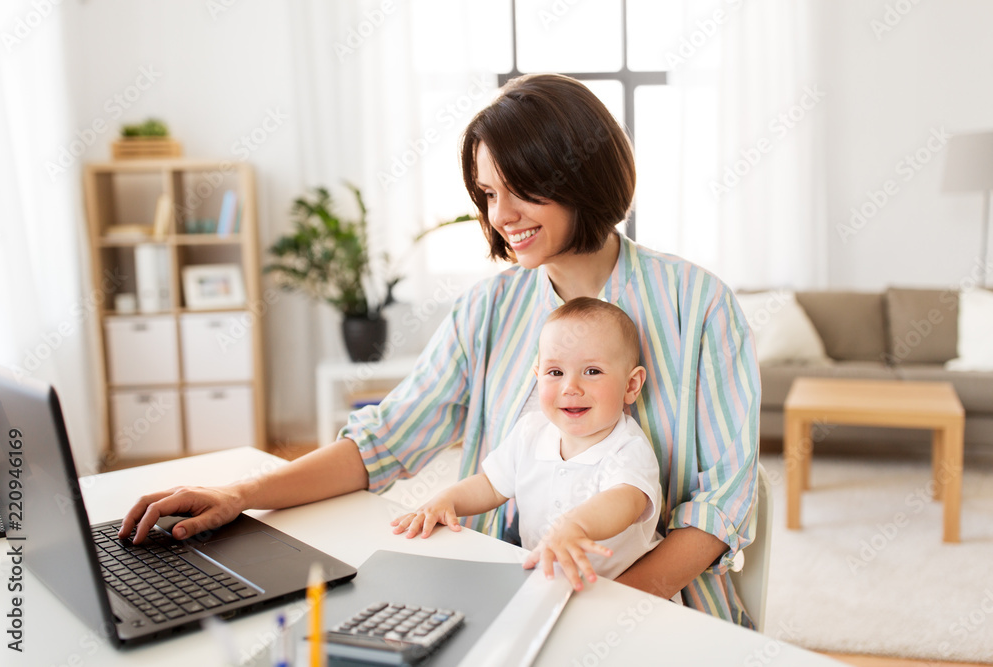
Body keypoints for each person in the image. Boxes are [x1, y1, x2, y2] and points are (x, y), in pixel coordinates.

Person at [120, 73, 760, 627]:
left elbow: (720, 505)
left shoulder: (698, 304)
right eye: (488, 193)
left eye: (520, 188)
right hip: (509, 590)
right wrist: (240, 494)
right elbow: (385, 440)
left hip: (652, 604)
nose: (500, 215)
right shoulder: (487, 309)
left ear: (580, 176)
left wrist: (602, 615)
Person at [391, 297, 661, 592]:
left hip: (615, 591)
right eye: (555, 373)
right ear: (537, 377)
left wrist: (578, 526)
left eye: (592, 371)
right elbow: (491, 485)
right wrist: (448, 499)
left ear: (631, 385)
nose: (570, 387)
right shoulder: (530, 432)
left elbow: (625, 500)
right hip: (545, 583)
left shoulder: (627, 447)